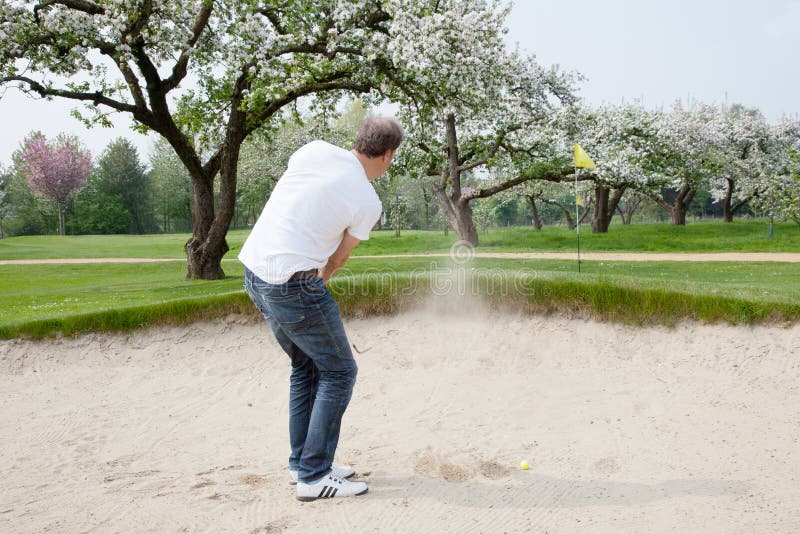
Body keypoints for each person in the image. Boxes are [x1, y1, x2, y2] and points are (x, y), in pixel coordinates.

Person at [239, 117, 403, 501]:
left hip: (254, 272)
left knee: (307, 367)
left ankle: (302, 463)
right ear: (388, 155)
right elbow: (338, 259)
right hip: (292, 284)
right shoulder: (368, 201)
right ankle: (314, 475)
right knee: (340, 371)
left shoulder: (313, 150)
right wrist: (318, 284)